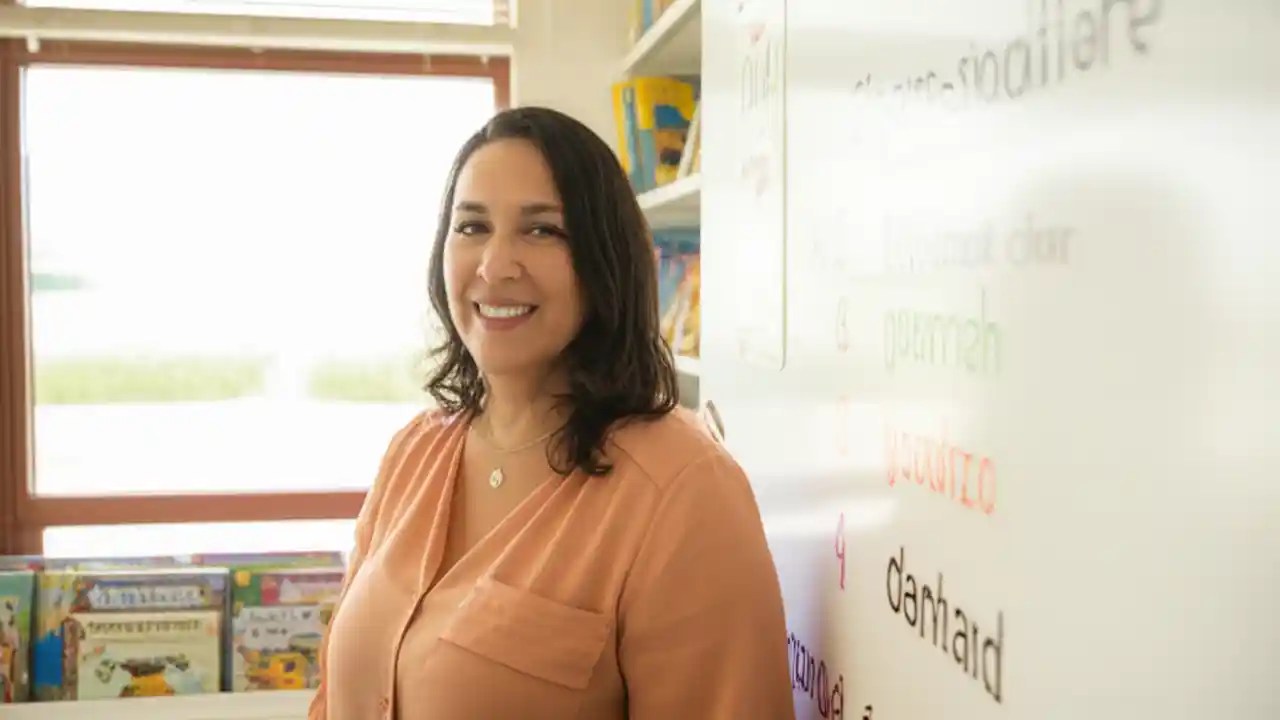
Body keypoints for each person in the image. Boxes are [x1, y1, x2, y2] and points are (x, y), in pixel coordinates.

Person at [308, 106, 794, 719]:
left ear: (603, 261)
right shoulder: (414, 452)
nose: (494, 265)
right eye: (472, 227)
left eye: (541, 231)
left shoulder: (683, 490)